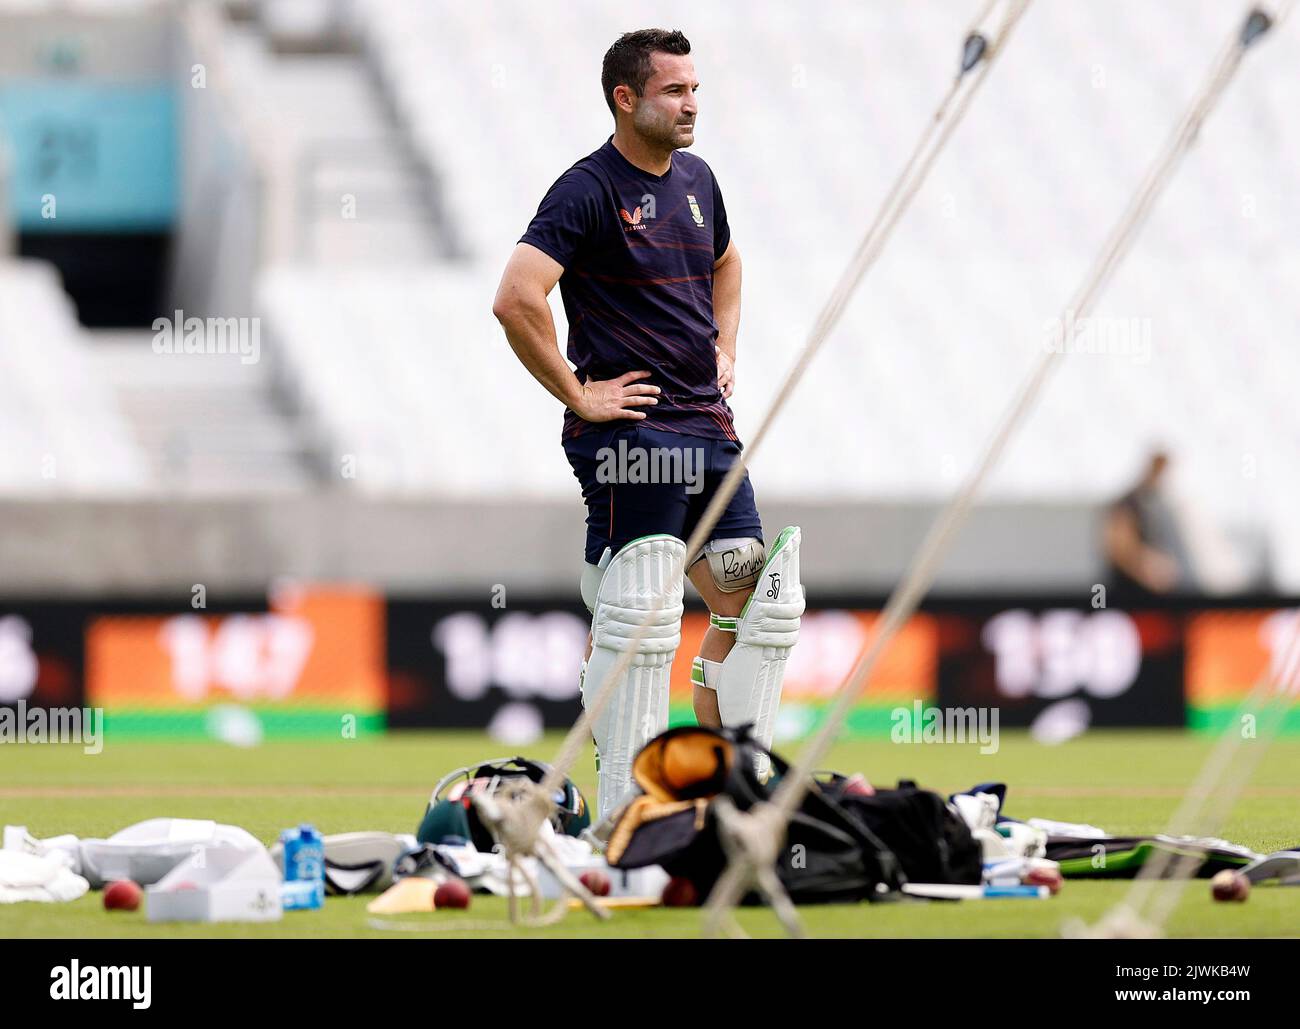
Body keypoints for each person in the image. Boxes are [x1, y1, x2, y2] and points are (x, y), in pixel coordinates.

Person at [492, 28, 803, 818]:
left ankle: (732, 794)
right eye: (675, 90)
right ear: (626, 99)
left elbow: (727, 262)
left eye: (695, 88)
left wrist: (726, 345)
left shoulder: (699, 179)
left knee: (759, 607)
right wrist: (579, 393)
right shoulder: (587, 189)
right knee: (640, 613)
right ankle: (622, 811)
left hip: (710, 429)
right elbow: (516, 295)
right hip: (634, 437)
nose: (692, 102)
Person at [1102, 451, 1189, 600]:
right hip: (1130, 592)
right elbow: (1117, 547)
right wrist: (1149, 569)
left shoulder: (1158, 502)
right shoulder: (1129, 501)